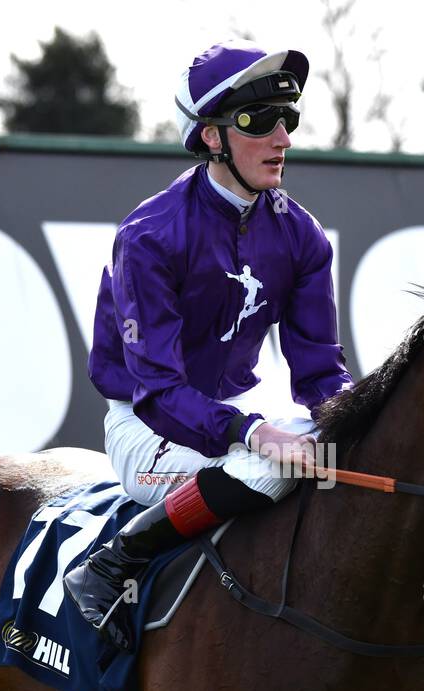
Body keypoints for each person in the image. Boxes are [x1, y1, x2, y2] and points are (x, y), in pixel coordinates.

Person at [64, 42, 352, 652]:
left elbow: (322, 374)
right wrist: (253, 434)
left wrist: (359, 422)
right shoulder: (148, 238)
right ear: (212, 138)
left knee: (343, 452)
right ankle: (111, 565)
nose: (282, 139)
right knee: (270, 467)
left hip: (242, 410)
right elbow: (160, 392)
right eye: (259, 122)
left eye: (288, 120)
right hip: (146, 428)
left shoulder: (302, 235)